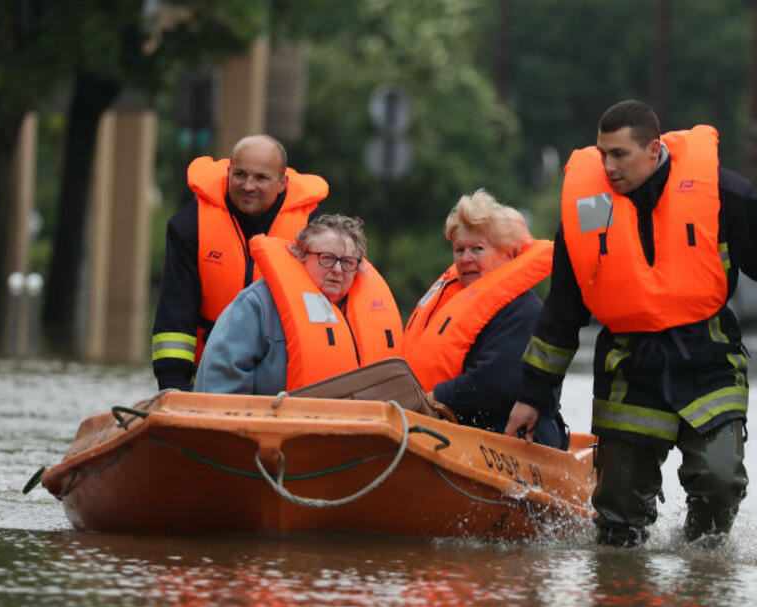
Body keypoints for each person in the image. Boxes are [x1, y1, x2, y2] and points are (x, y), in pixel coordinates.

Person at [505, 100, 757, 547]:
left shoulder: (723, 195)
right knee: (618, 518)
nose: (608, 167)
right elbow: (561, 311)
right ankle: (622, 584)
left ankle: (699, 569)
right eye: (602, 154)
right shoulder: (587, 209)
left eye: (620, 154)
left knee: (719, 484)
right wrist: (533, 395)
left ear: (653, 149)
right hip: (628, 367)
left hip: (709, 359)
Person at [151, 134, 329, 391]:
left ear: (282, 183)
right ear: (228, 173)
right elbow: (175, 311)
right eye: (240, 175)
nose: (248, 186)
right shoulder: (190, 225)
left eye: (261, 178)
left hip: (286, 381)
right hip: (210, 377)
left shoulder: (314, 231)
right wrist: (173, 388)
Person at [403, 190, 568, 448]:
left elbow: (497, 381)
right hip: (456, 432)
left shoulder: (524, 311)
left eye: (477, 249)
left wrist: (432, 398)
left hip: (517, 440)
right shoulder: (453, 305)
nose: (465, 259)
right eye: (459, 250)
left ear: (509, 254)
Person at [194, 214, 402, 395]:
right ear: (301, 256)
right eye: (326, 258)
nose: (337, 270)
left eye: (347, 262)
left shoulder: (370, 315)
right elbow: (219, 383)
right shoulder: (255, 306)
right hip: (272, 426)